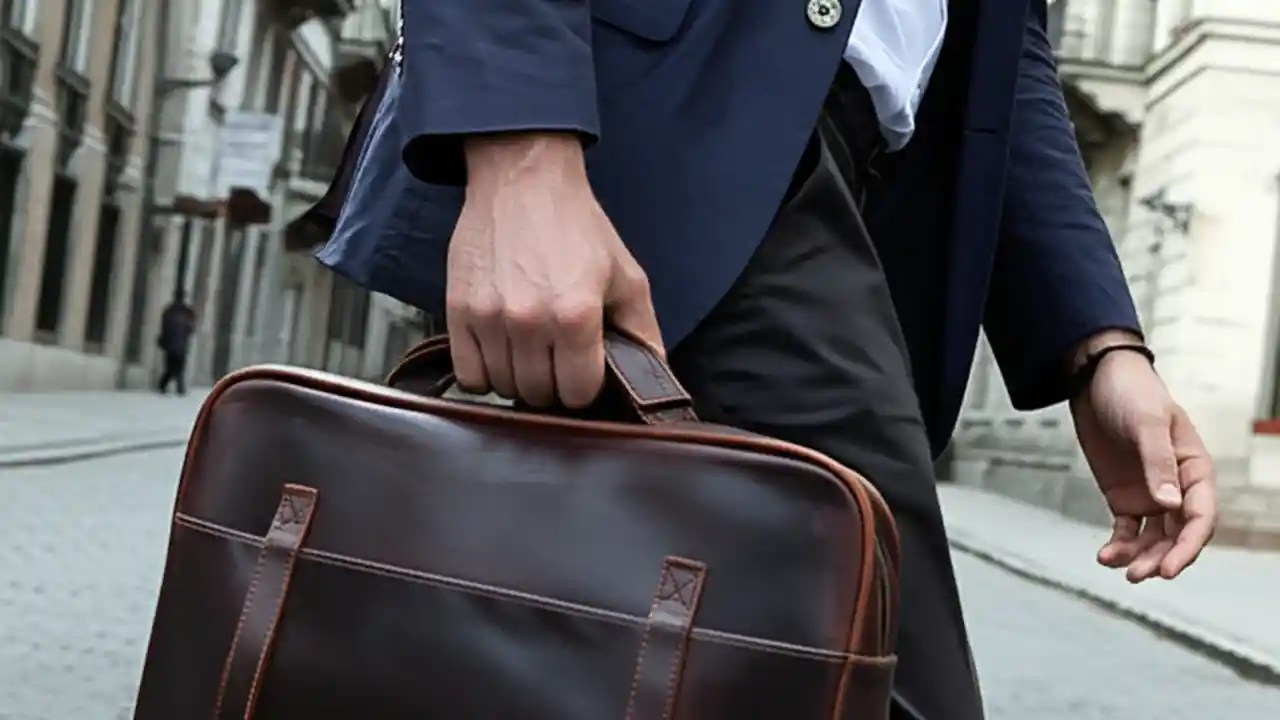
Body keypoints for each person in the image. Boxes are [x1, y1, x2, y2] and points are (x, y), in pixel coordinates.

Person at [316, 2, 1220, 717]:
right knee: (868, 664)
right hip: (647, 116)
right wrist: (520, 143)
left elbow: (1001, 59)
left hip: (858, 187)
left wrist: (1098, 344)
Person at [156, 296, 196, 396]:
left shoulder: (169, 311)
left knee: (170, 367)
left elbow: (163, 327)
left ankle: (165, 386)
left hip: (170, 345)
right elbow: (191, 328)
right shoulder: (187, 312)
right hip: (181, 345)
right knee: (179, 367)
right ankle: (179, 388)